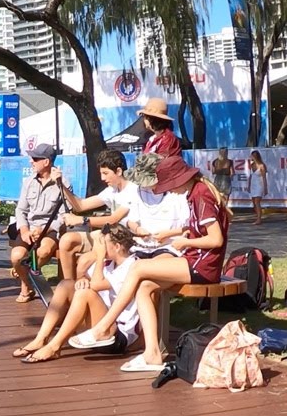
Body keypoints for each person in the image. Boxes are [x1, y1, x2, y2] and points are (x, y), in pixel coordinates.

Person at [71, 154, 229, 372]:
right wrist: (179, 235)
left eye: (170, 185)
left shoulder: (200, 195)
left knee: (138, 268)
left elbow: (215, 239)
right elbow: (199, 229)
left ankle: (104, 327)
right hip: (195, 259)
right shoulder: (196, 192)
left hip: (202, 265)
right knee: (145, 287)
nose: (171, 190)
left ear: (180, 179)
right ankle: (152, 353)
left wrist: (185, 241)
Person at [14, 223, 141, 363]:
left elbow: (98, 284)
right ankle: (41, 338)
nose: (100, 248)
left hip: (115, 337)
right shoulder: (109, 264)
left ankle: (55, 346)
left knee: (84, 293)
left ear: (117, 247)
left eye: (103, 244)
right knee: (66, 285)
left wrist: (99, 257)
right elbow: (84, 275)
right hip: (97, 328)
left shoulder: (131, 266)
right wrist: (82, 280)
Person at [53, 149, 136, 280]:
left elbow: (115, 219)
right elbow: (80, 205)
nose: (103, 178)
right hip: (108, 236)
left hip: (124, 240)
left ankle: (84, 295)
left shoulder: (132, 190)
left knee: (83, 264)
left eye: (106, 173)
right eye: (101, 173)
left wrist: (82, 220)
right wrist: (60, 184)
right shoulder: (111, 190)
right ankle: (68, 287)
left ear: (119, 171)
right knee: (66, 240)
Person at [8, 143, 66, 303]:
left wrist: (44, 230)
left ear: (46, 162)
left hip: (50, 229)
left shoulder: (63, 183)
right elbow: (20, 210)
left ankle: (25, 286)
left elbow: (64, 216)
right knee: (17, 257)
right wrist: (25, 230)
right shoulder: (28, 182)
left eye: (34, 158)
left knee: (44, 252)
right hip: (30, 227)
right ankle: (28, 284)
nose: (30, 161)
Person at [247, 149, 269, 225]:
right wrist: (249, 185)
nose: (251, 157)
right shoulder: (252, 165)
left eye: (253, 156)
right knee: (253, 202)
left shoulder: (262, 166)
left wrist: (265, 188)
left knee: (257, 202)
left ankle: (259, 219)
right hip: (253, 184)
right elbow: (250, 176)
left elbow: (264, 177)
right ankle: (258, 216)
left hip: (260, 185)